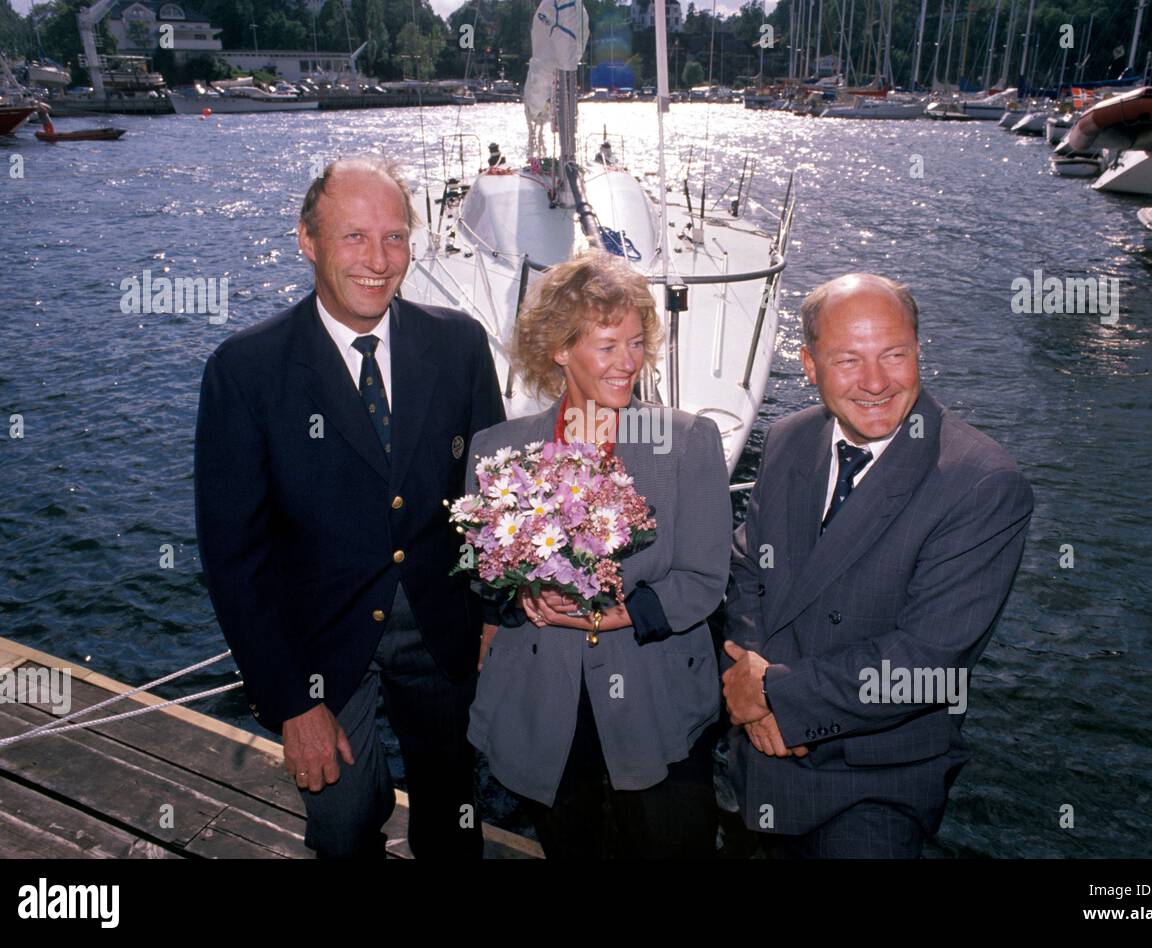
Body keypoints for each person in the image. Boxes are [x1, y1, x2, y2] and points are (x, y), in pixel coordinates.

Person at [194, 156, 504, 859]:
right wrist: (292, 705)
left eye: (394, 238)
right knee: (340, 830)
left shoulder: (458, 345)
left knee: (454, 819)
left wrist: (491, 611)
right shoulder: (246, 372)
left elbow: (491, 494)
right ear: (308, 240)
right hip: (319, 649)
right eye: (354, 237)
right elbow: (234, 559)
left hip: (441, 628)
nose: (378, 259)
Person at [721, 273, 1034, 858]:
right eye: (848, 360)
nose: (875, 383)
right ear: (808, 364)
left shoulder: (982, 483)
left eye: (895, 355)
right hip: (761, 764)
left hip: (870, 791)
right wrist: (750, 679)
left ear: (919, 350)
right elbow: (748, 571)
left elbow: (926, 660)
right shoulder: (790, 439)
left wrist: (776, 699)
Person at [466, 250, 731, 858]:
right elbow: (485, 578)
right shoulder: (498, 449)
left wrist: (626, 613)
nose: (627, 364)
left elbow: (704, 578)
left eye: (636, 344)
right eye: (607, 346)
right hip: (545, 706)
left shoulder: (688, 441)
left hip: (656, 703)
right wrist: (522, 595)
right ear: (560, 349)